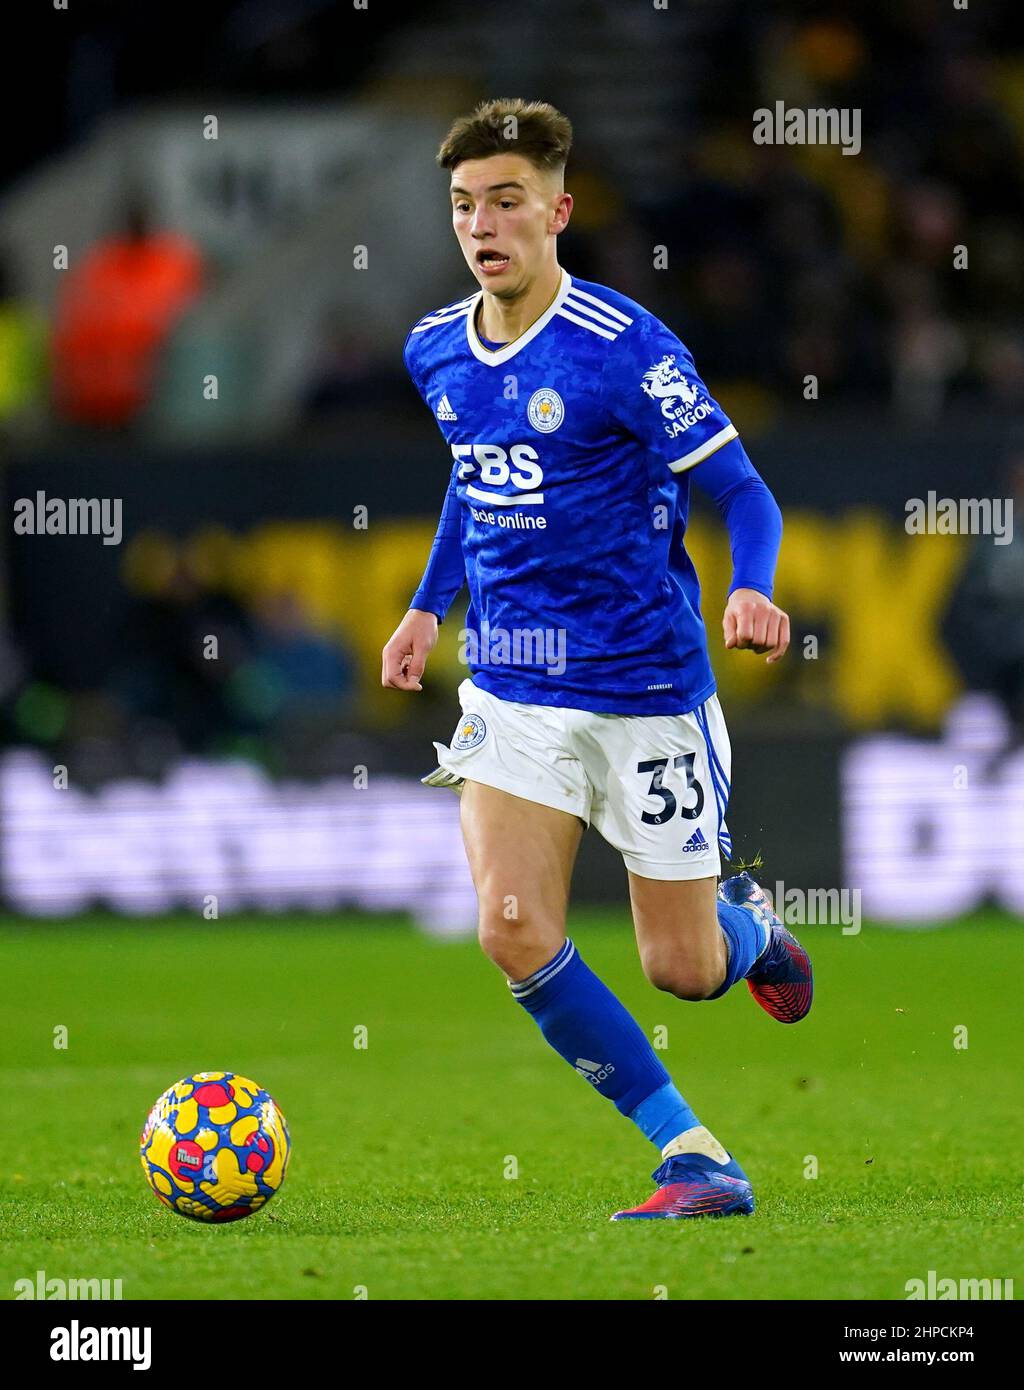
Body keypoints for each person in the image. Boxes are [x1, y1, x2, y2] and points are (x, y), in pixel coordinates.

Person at [381, 99, 811, 1221]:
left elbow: (741, 490)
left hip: (644, 692)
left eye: (508, 201)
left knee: (683, 966)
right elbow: (474, 468)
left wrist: (753, 585)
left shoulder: (627, 351)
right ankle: (693, 1152)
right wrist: (428, 607)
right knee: (511, 926)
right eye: (466, 204)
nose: (484, 224)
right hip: (513, 689)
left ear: (557, 212)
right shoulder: (435, 346)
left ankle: (748, 925)